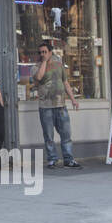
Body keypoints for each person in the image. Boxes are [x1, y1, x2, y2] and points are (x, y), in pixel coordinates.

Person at [31, 41, 80, 169]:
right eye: (40, 52)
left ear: (50, 52)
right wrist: (44, 62)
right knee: (48, 135)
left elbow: (65, 82)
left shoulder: (58, 63)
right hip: (45, 106)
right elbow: (40, 77)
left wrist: (73, 99)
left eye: (45, 52)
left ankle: (68, 159)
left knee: (66, 134)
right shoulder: (36, 66)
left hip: (61, 104)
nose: (43, 54)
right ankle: (52, 159)